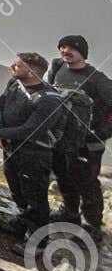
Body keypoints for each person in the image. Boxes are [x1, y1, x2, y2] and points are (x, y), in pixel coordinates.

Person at [0, 52, 68, 234]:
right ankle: (21, 223)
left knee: (35, 196)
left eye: (17, 66)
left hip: (35, 154)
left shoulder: (49, 100)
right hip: (12, 148)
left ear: (32, 72)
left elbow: (31, 130)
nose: (11, 67)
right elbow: (0, 106)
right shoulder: (14, 84)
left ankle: (38, 240)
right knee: (16, 188)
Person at [48, 35, 112, 239]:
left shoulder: (96, 78)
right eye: (62, 47)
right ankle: (70, 213)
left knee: (87, 182)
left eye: (71, 48)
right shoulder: (58, 68)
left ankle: (93, 227)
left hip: (89, 142)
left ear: (82, 53)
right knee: (63, 174)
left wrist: (102, 133)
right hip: (62, 137)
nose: (65, 51)